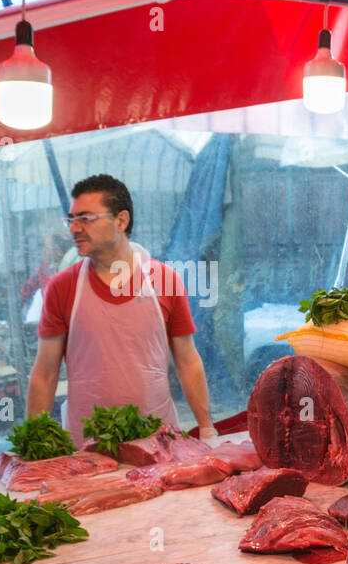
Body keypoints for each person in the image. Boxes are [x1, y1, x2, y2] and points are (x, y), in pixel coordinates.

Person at [26, 174, 215, 446]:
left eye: (85, 219)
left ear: (121, 221)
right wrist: (35, 441)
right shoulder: (62, 287)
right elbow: (45, 373)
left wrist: (207, 428)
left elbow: (187, 360)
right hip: (87, 447)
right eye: (71, 220)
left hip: (158, 441)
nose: (73, 229)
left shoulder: (165, 280)